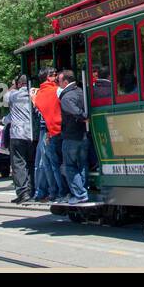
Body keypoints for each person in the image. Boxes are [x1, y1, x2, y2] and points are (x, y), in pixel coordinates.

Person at [32, 67, 69, 203]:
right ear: (48, 78)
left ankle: (53, 192)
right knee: (62, 163)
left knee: (49, 164)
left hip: (47, 131)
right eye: (54, 75)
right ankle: (63, 191)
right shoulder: (57, 90)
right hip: (58, 130)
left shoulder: (38, 94)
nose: (56, 76)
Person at [57, 70, 92, 204]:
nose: (58, 84)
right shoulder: (81, 92)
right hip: (83, 135)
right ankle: (84, 191)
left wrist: (83, 116)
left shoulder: (66, 97)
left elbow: (75, 111)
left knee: (69, 166)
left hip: (71, 136)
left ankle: (80, 194)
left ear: (65, 82)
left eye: (59, 81)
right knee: (82, 164)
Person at [5, 74, 35, 204]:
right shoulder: (34, 95)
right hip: (32, 134)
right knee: (31, 163)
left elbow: (5, 95)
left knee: (18, 164)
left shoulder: (13, 95)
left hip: (17, 135)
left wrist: (13, 84)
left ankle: (23, 193)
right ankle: (33, 189)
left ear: (18, 84)